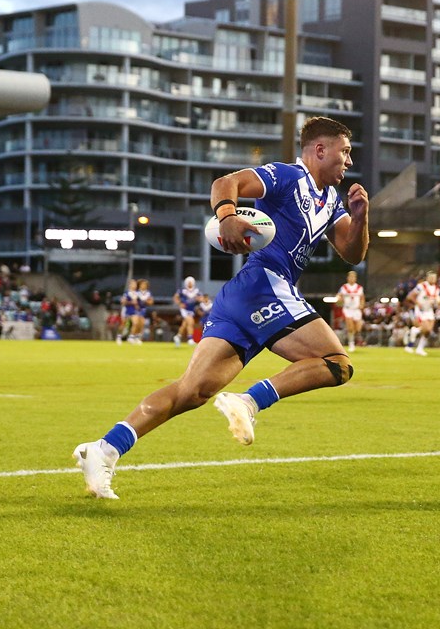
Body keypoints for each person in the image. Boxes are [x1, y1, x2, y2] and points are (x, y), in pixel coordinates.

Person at [73, 117, 369, 499]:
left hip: (245, 295)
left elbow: (352, 252)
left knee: (191, 392)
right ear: (320, 150)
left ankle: (103, 449)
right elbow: (225, 183)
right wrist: (227, 215)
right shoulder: (288, 177)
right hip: (264, 286)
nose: (349, 160)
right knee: (337, 363)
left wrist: (361, 218)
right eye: (345, 151)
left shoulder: (330, 200)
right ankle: (249, 401)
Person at [404, 271, 440, 355]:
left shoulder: (436, 289)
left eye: (434, 277)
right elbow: (410, 296)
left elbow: (437, 300)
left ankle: (419, 346)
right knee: (426, 328)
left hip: (429, 310)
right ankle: (413, 337)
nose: (433, 279)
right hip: (420, 310)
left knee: (428, 331)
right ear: (427, 278)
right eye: (431, 277)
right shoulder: (421, 286)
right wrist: (418, 303)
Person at [336, 270, 365, 353]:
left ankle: (354, 339)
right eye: (350, 277)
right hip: (348, 309)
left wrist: (362, 305)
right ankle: (351, 344)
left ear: (355, 278)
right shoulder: (344, 287)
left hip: (356, 309)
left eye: (353, 277)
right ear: (347, 278)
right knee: (350, 327)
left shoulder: (359, 288)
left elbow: (362, 298)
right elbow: (339, 295)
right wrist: (339, 299)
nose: (352, 278)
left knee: (358, 328)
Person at [173, 276, 201, 347]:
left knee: (185, 324)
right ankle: (190, 339)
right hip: (184, 309)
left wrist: (198, 299)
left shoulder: (196, 291)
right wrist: (179, 303)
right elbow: (175, 297)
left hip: (192, 310)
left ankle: (178, 336)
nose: (190, 284)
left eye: (191, 282)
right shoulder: (182, 290)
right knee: (191, 322)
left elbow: (201, 299)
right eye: (188, 282)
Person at [115, 279, 138, 344]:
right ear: (130, 285)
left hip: (134, 310)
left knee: (135, 323)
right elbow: (122, 301)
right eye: (133, 284)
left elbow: (137, 303)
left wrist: (137, 305)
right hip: (126, 309)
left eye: (135, 284)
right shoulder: (127, 293)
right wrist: (131, 302)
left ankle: (131, 337)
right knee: (123, 324)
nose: (135, 285)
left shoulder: (136, 293)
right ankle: (119, 337)